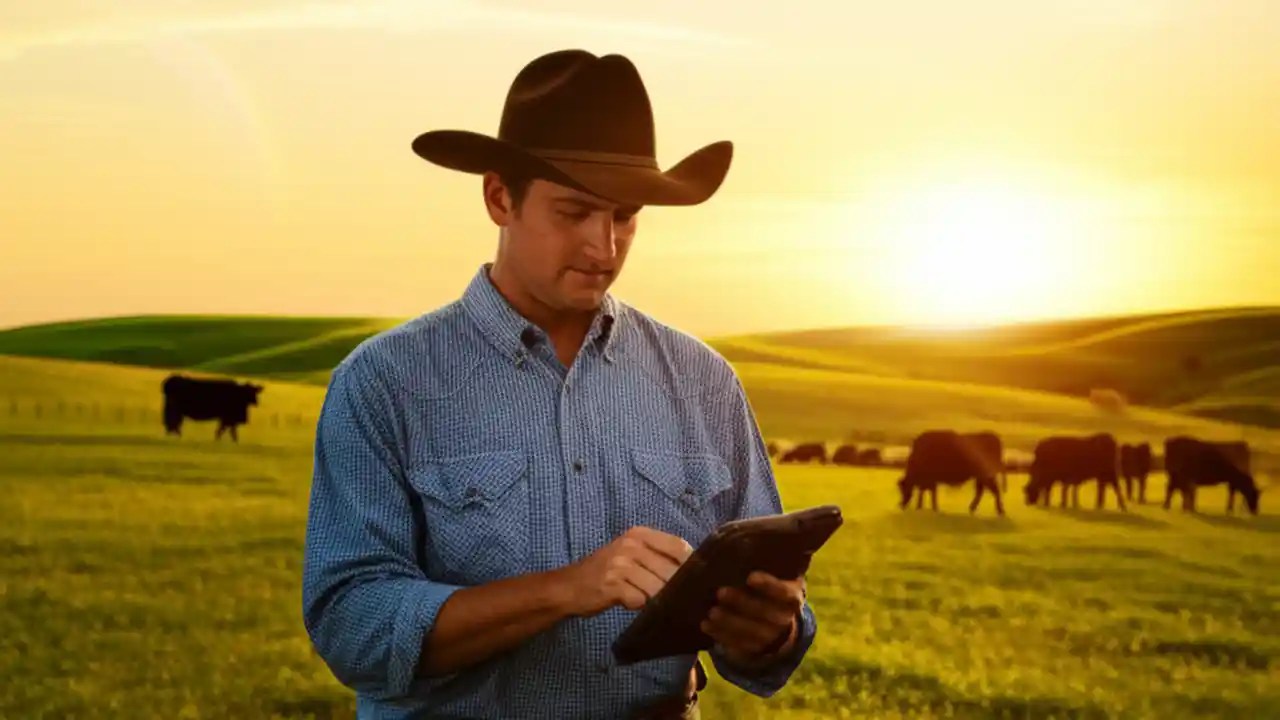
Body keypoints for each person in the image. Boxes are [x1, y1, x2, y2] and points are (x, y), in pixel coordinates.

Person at [302, 48, 818, 720]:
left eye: (625, 216)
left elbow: (773, 637)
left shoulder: (704, 382)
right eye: (573, 212)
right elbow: (351, 626)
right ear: (498, 198)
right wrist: (566, 591)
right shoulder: (384, 383)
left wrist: (771, 630)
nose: (604, 248)